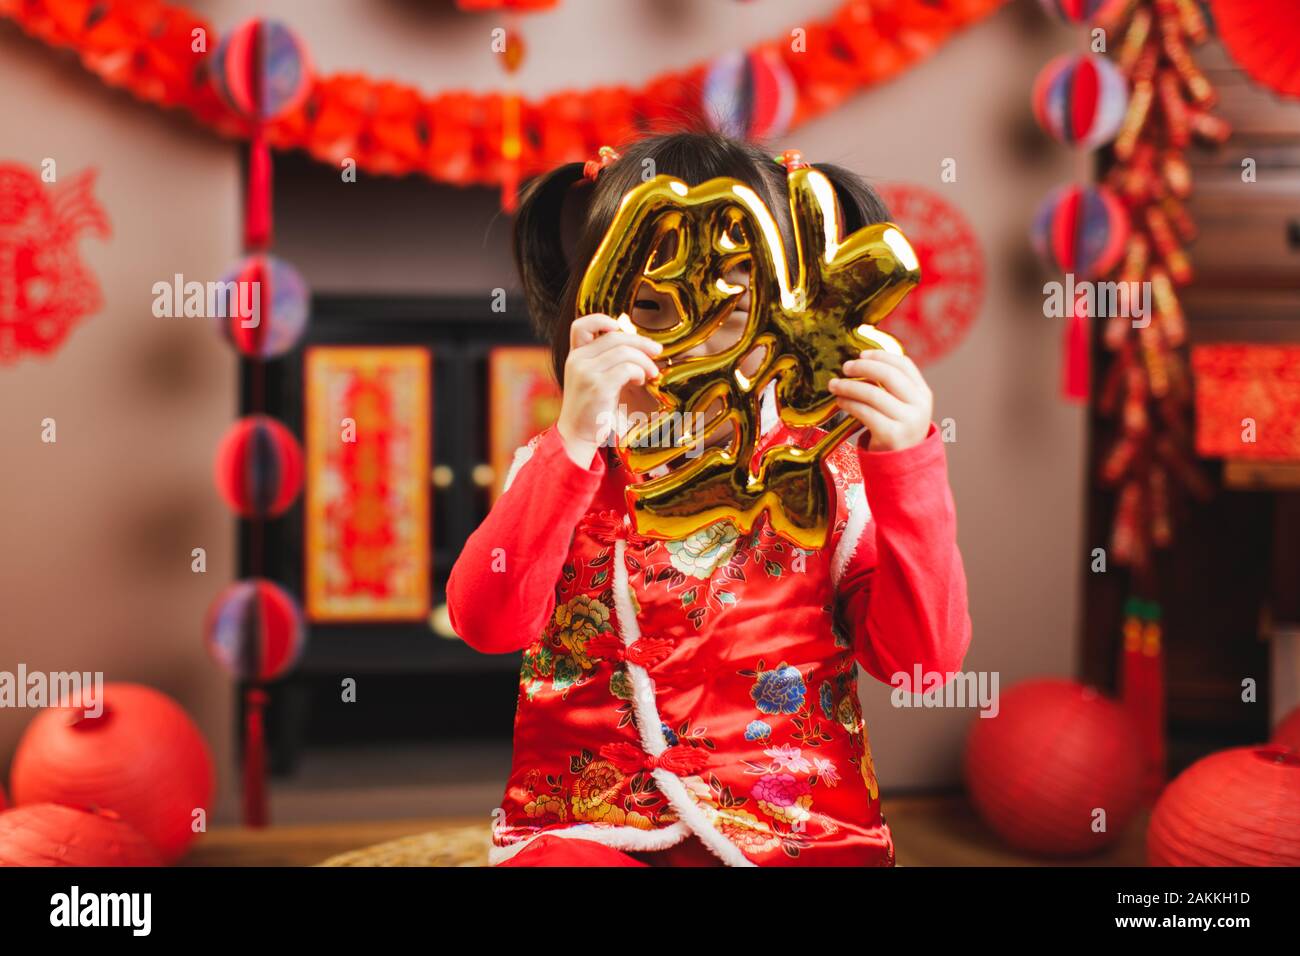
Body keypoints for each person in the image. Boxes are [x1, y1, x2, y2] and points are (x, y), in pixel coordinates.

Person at [447, 130, 971, 866]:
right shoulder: (560, 464)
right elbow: (484, 623)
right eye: (650, 309)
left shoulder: (830, 474)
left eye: (734, 314)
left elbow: (922, 665)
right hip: (588, 826)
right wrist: (572, 441)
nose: (690, 349)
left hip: (796, 828)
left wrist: (908, 464)